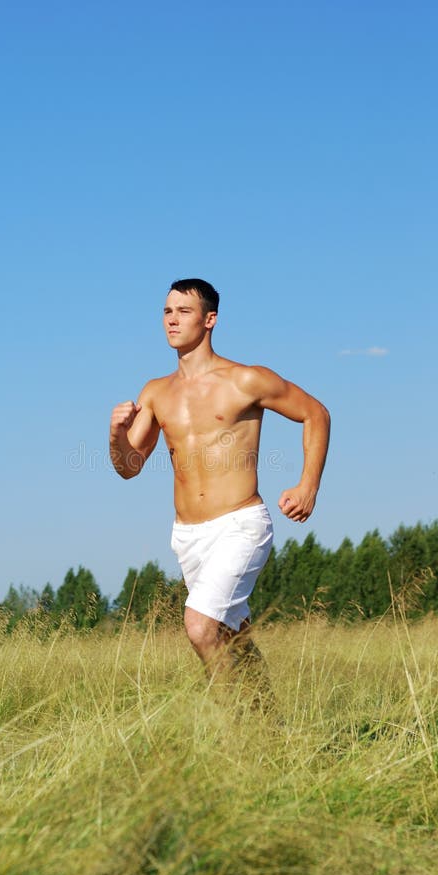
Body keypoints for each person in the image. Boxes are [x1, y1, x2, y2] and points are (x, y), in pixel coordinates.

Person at [109, 278, 330, 699]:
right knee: (232, 636)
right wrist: (116, 436)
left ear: (210, 320)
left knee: (199, 625)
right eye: (167, 311)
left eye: (184, 311)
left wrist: (308, 485)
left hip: (240, 525)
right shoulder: (156, 392)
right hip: (188, 536)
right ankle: (271, 728)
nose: (172, 319)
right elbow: (129, 467)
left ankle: (239, 735)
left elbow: (316, 413)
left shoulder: (245, 380)